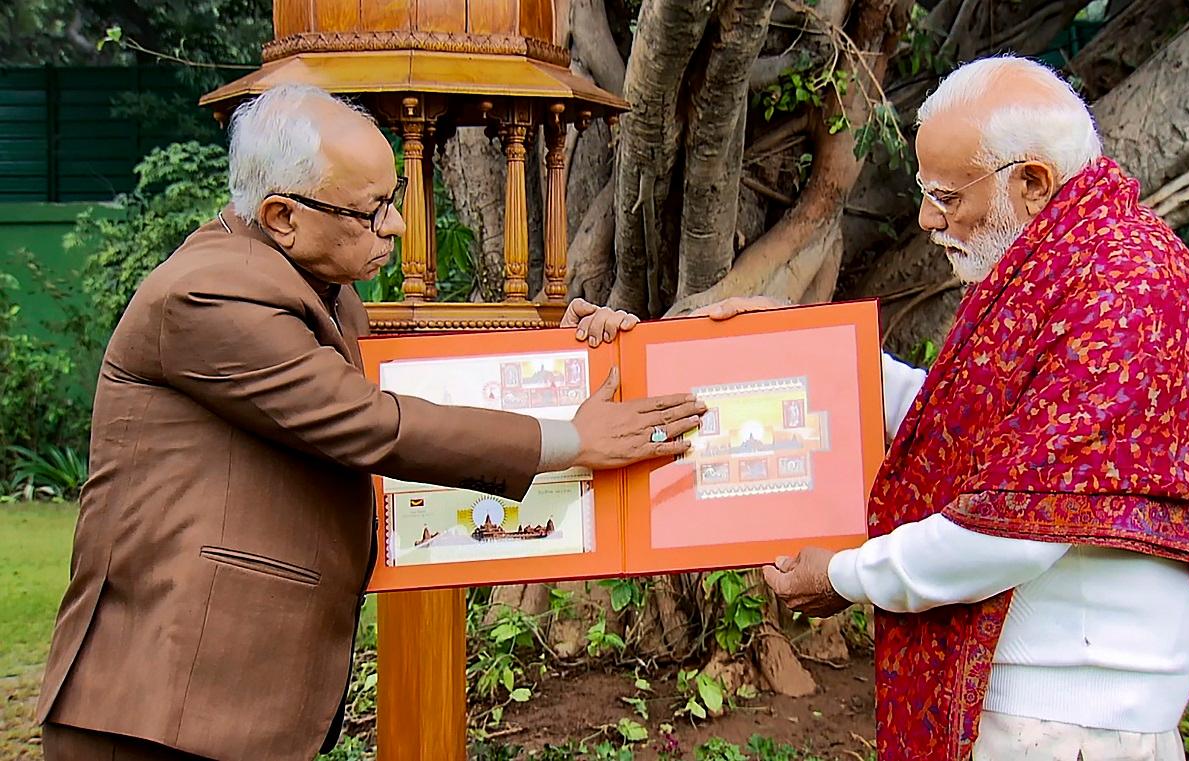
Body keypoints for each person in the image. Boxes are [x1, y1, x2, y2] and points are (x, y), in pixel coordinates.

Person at [36, 84, 702, 761]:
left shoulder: (313, 286)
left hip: (214, 705)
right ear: (282, 216)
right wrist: (575, 441)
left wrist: (567, 358)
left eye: (393, 199)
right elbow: (372, 422)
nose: (397, 225)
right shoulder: (209, 293)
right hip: (159, 708)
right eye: (371, 210)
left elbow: (418, 377)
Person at [702, 56, 1189, 760]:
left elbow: (1018, 522)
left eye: (946, 196)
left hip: (1066, 721)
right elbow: (965, 429)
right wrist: (810, 349)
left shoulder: (1121, 287)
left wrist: (844, 574)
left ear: (1032, 182)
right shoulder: (1077, 259)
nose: (926, 218)